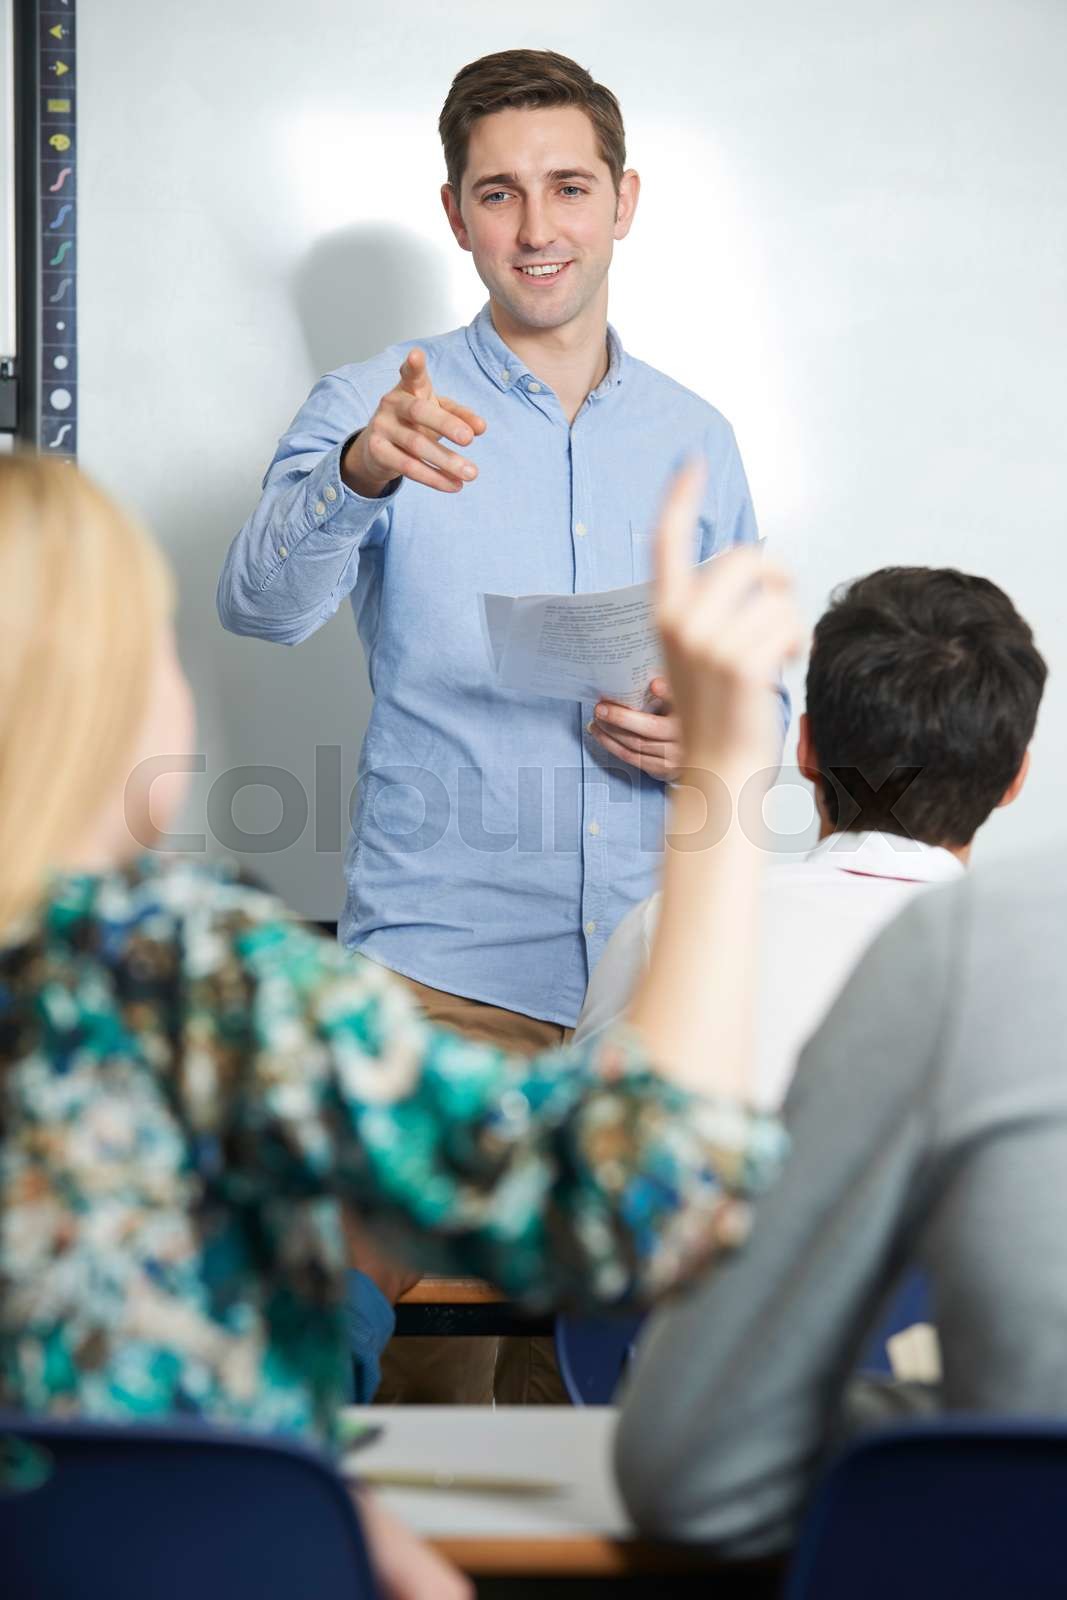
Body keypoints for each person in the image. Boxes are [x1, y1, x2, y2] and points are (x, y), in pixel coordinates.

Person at [0, 453, 798, 1593]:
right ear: (102, 695)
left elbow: (111, 1408)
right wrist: (724, 769)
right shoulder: (202, 982)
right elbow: (645, 1203)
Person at [217, 46, 786, 1401]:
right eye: (499, 194)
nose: (537, 228)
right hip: (440, 987)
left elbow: (764, 688)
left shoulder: (695, 435)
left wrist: (707, 719)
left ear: (623, 201)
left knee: (622, 1413)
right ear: (453, 211)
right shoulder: (375, 405)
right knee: (433, 1411)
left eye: (567, 188)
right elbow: (255, 605)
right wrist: (358, 474)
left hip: (648, 993)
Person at [614, 842, 1067, 1556]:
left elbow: (697, 1465)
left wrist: (956, 1427)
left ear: (806, 756)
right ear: (1014, 779)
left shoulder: (978, 939)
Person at [576, 566, 1046, 1108]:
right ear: (1016, 778)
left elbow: (581, 1147)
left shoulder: (667, 928)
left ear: (805, 749)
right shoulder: (1039, 981)